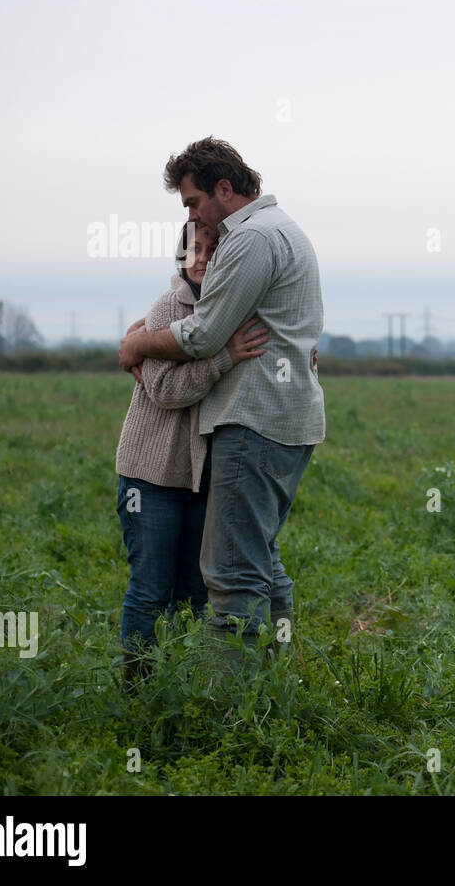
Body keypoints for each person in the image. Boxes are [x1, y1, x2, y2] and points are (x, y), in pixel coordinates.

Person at [118, 137, 325, 651]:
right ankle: (273, 678)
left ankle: (232, 710)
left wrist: (136, 343)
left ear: (224, 189)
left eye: (192, 202)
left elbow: (204, 336)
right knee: (260, 559)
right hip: (280, 422)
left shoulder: (252, 238)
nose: (191, 215)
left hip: (254, 422)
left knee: (232, 574)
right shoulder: (285, 231)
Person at [115, 221, 267, 683]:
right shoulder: (167, 309)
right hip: (152, 476)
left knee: (194, 592)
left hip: (206, 477)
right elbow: (162, 388)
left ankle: (180, 683)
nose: (200, 259)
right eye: (191, 250)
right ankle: (139, 689)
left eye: (211, 249)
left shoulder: (239, 311)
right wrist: (223, 359)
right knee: (150, 589)